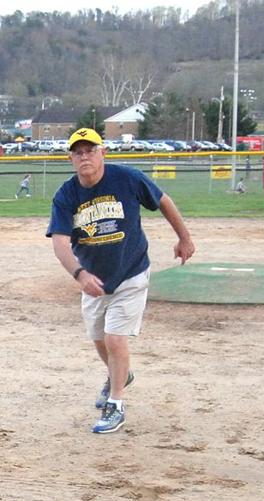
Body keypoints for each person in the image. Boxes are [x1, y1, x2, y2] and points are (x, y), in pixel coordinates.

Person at [46, 127, 195, 434]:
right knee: (100, 340)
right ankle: (120, 375)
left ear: (103, 153)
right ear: (71, 158)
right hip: (94, 281)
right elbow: (60, 242)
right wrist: (79, 273)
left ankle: (116, 404)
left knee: (116, 339)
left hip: (131, 271)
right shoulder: (66, 195)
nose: (84, 156)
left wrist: (184, 237)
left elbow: (163, 200)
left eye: (91, 150)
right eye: (78, 152)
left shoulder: (127, 178)